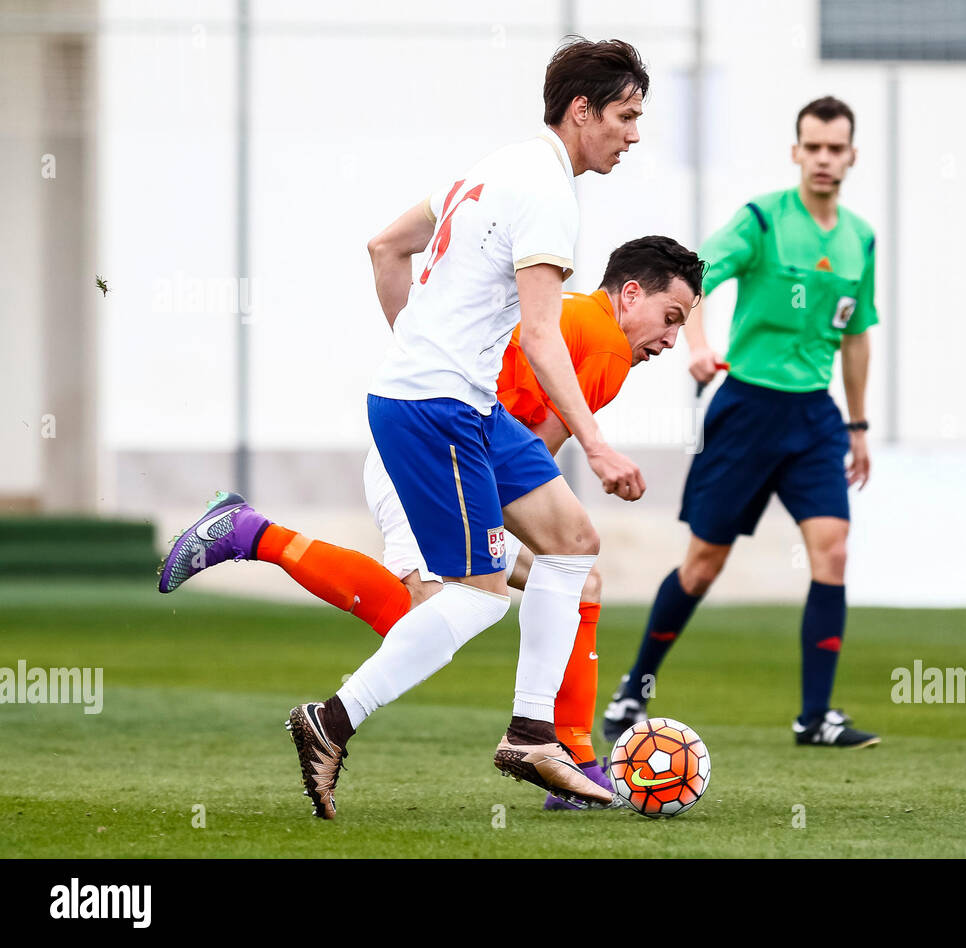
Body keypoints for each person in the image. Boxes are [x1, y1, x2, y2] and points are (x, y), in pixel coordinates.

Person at [163, 37, 650, 818]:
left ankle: (533, 734)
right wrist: (594, 441)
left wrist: (420, 350)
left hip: (455, 402)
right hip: (439, 408)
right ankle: (330, 719)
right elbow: (539, 334)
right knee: (478, 599)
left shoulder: (490, 170)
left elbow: (385, 245)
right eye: (625, 117)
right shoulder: (550, 193)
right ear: (581, 110)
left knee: (572, 543)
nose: (633, 135)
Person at [159, 236, 704, 811]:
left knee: (567, 572)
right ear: (631, 294)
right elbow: (531, 466)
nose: (671, 339)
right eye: (670, 319)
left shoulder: (565, 311)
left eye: (681, 325)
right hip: (437, 457)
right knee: (439, 611)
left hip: (432, 446)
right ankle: (251, 535)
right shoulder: (606, 349)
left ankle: (569, 756)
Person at [603, 96, 881, 749]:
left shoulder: (860, 238)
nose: (823, 158)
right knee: (702, 567)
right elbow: (692, 278)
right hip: (747, 409)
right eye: (812, 146)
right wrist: (697, 346)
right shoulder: (763, 220)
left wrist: (859, 425)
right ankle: (632, 690)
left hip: (815, 417)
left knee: (834, 551)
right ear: (796, 152)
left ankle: (815, 718)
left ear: (851, 156)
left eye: (835, 148)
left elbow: (859, 337)